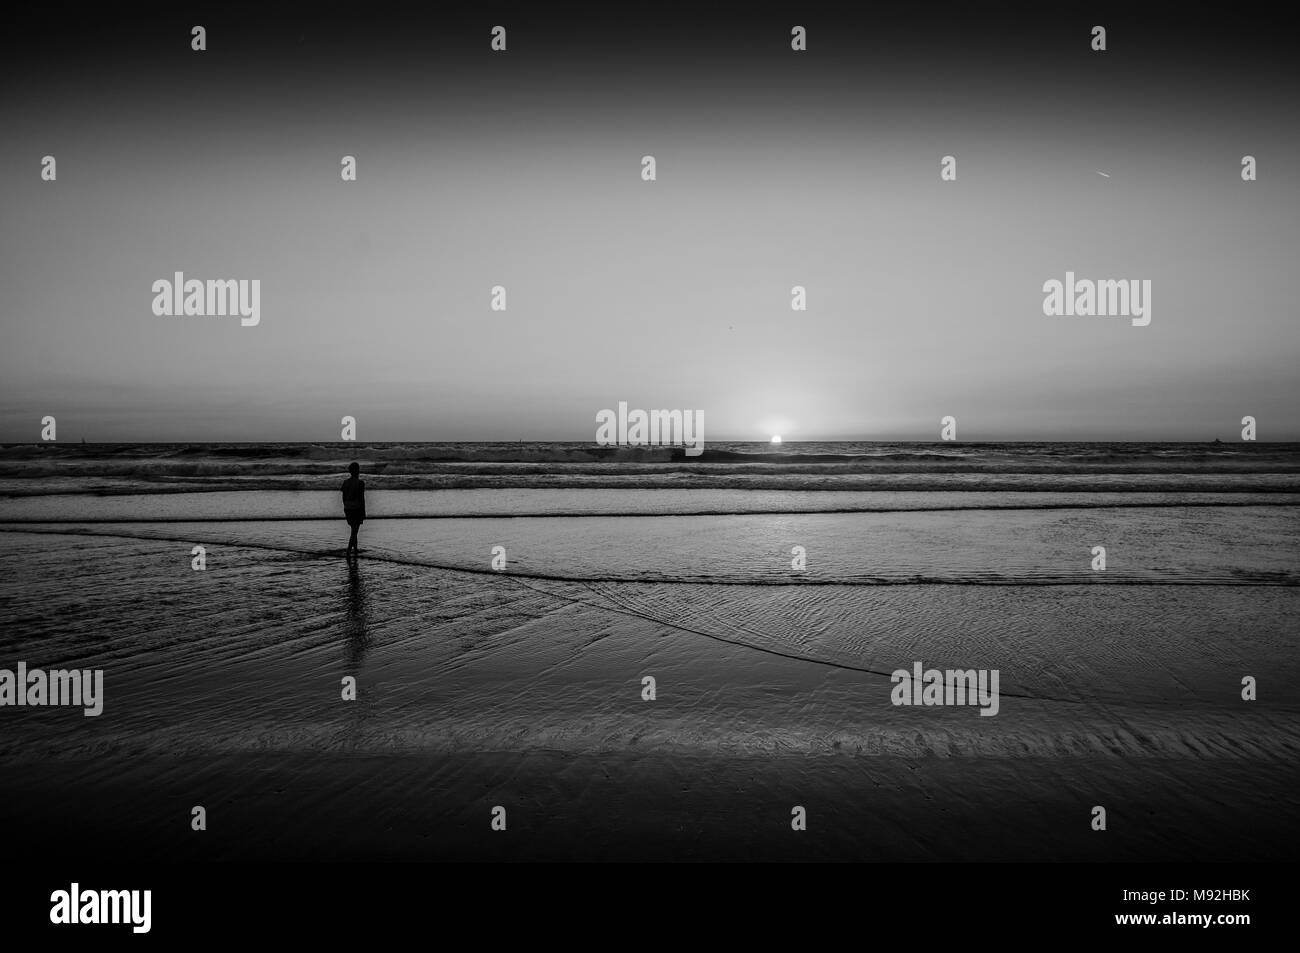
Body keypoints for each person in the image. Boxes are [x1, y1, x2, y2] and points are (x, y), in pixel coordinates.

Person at [341, 462, 366, 557]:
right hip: (357, 508)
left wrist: (345, 507)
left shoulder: (345, 482)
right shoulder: (360, 483)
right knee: (355, 531)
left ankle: (355, 549)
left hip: (347, 508)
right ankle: (348, 551)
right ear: (358, 471)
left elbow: (343, 497)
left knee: (353, 530)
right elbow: (361, 499)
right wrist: (363, 511)